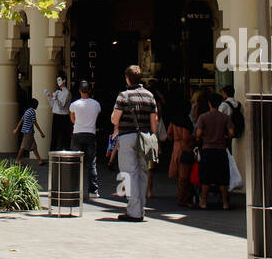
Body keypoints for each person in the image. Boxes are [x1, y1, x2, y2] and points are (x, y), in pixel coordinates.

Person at [112, 66, 159, 221]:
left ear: (127, 78)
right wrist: (153, 137)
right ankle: (140, 209)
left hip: (127, 136)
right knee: (143, 172)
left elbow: (114, 119)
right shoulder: (149, 95)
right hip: (145, 138)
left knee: (129, 173)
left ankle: (134, 211)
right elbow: (154, 121)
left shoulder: (123, 96)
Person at [195, 90, 234, 210]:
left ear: (209, 103)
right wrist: (225, 137)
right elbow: (231, 132)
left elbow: (198, 133)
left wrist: (202, 137)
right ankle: (225, 203)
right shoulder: (225, 118)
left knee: (206, 177)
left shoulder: (203, 117)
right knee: (222, 178)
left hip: (207, 149)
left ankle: (203, 202)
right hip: (221, 149)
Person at [69, 80, 101, 202]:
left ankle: (74, 188)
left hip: (77, 133)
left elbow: (73, 120)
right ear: (89, 90)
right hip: (91, 133)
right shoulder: (96, 104)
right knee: (91, 162)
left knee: (75, 162)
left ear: (79, 91)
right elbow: (96, 118)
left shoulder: (74, 104)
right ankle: (93, 190)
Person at [166, 95, 195, 208]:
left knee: (179, 175)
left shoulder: (174, 120)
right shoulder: (186, 122)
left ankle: (181, 196)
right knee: (185, 175)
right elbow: (186, 138)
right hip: (184, 148)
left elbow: (169, 134)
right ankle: (182, 199)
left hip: (176, 147)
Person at [13, 98, 45, 166]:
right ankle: (17, 160)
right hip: (29, 132)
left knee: (33, 147)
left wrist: (16, 129)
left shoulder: (27, 111)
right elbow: (35, 122)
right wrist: (41, 132)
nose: (37, 106)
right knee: (23, 146)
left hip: (26, 131)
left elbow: (21, 120)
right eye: (37, 105)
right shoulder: (32, 112)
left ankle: (40, 160)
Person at [47, 75, 72, 151]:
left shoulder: (67, 93)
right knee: (54, 136)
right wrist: (49, 96)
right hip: (56, 116)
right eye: (57, 80)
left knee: (65, 137)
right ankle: (52, 156)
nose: (58, 82)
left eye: (60, 80)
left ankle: (67, 155)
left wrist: (57, 98)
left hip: (63, 117)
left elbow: (62, 106)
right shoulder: (57, 91)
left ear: (64, 81)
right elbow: (52, 105)